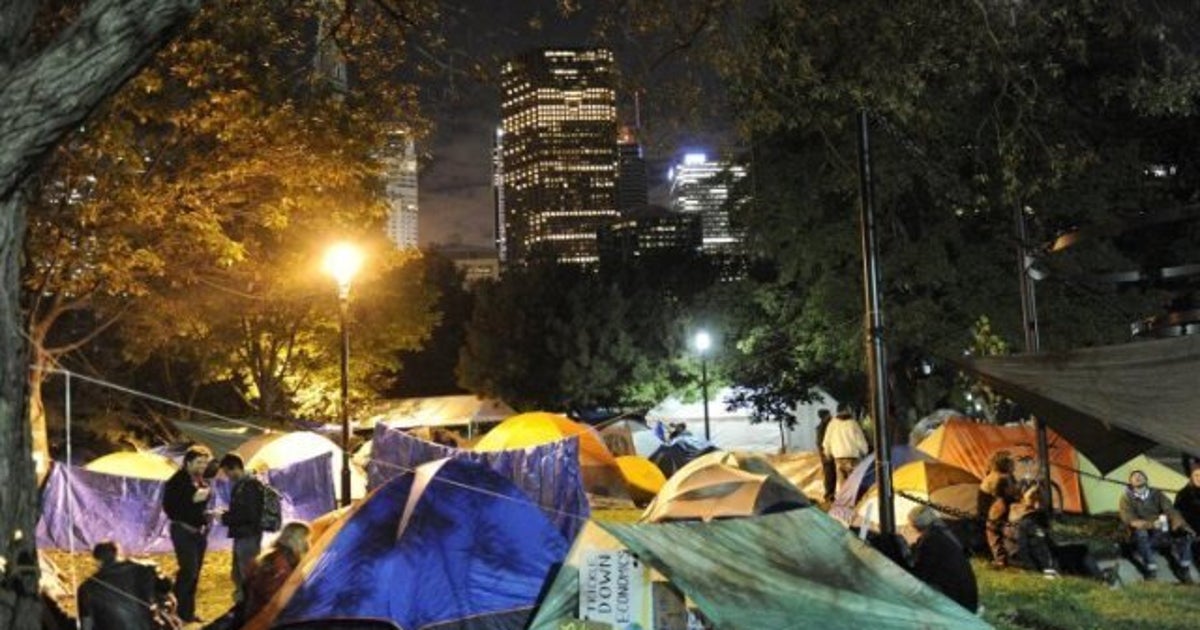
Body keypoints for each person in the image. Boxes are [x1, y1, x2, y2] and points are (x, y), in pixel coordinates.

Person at [162, 445, 214, 623]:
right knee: (188, 572)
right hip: (183, 530)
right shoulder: (177, 482)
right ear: (188, 462)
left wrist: (208, 513)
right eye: (199, 462)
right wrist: (191, 501)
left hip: (199, 532)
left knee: (195, 574)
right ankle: (171, 612)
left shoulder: (201, 481)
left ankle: (187, 613)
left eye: (205, 463)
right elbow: (170, 509)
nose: (202, 466)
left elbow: (200, 508)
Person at [77, 541, 180, 630]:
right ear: (119, 553)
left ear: (97, 560)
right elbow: (166, 588)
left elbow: (86, 624)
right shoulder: (145, 569)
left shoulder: (87, 588)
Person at [1119, 469, 1196, 582]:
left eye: (1140, 475)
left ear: (1146, 479)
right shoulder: (1126, 498)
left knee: (1184, 533)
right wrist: (1151, 525)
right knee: (1141, 533)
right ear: (1130, 482)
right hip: (1143, 532)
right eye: (1134, 476)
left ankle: (1184, 568)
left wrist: (1178, 524)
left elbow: (1170, 509)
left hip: (1160, 529)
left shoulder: (1157, 494)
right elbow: (1129, 519)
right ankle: (1151, 569)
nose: (1138, 477)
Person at [906, 505, 978, 613]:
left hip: (959, 604)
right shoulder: (942, 529)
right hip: (968, 597)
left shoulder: (930, 540)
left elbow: (920, 575)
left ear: (915, 525)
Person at [218, 453, 265, 605]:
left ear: (234, 468)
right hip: (244, 534)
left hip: (248, 535)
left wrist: (224, 518)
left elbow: (250, 515)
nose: (227, 476)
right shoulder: (244, 484)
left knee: (247, 572)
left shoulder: (249, 485)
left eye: (227, 472)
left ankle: (250, 604)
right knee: (239, 572)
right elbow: (244, 511)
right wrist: (226, 514)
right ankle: (244, 602)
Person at [243, 522, 312, 620]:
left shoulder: (272, 554)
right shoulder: (282, 562)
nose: (309, 543)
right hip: (269, 617)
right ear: (298, 541)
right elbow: (279, 597)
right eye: (307, 539)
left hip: (256, 612)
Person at [978, 450, 1021, 568]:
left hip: (995, 510)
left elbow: (998, 497)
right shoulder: (1007, 477)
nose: (1015, 466)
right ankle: (1010, 555)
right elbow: (1011, 493)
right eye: (1012, 464)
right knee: (1003, 532)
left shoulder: (994, 477)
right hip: (1005, 507)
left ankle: (1000, 559)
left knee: (993, 534)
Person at [821, 406, 869, 492]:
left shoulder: (832, 424)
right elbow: (860, 440)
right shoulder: (853, 423)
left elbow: (826, 441)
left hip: (838, 457)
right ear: (847, 410)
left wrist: (827, 453)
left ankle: (844, 500)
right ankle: (852, 500)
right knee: (853, 480)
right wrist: (865, 451)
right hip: (852, 457)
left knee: (841, 481)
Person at [815, 409, 837, 503]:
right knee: (830, 474)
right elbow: (821, 442)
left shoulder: (820, 427)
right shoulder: (825, 427)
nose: (831, 416)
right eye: (829, 414)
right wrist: (826, 453)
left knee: (830, 474)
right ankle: (829, 494)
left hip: (825, 453)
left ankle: (830, 494)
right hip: (827, 453)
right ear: (825, 416)